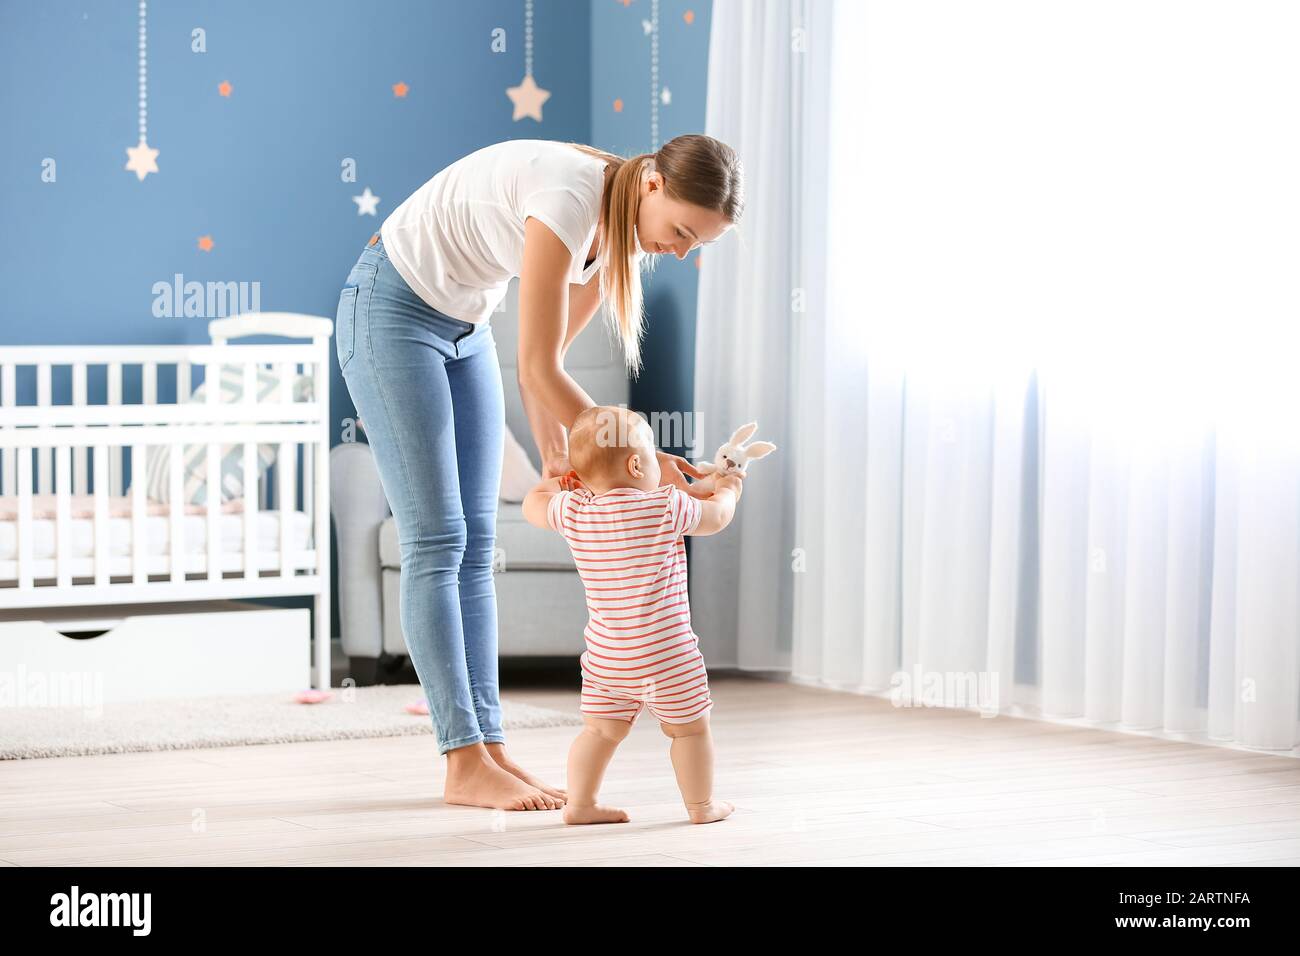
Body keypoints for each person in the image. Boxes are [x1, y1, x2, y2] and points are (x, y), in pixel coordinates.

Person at [334, 136, 744, 811]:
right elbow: (538, 370)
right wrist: (639, 470)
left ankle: (488, 747)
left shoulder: (621, 237)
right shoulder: (571, 194)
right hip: (390, 308)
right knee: (436, 542)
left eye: (696, 245)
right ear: (651, 186)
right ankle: (460, 759)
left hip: (465, 324)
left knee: (475, 551)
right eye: (680, 231)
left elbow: (547, 360)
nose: (679, 252)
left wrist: (566, 458)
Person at [522, 406, 744, 824]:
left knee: (599, 732)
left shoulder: (574, 511)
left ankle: (581, 805)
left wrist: (558, 482)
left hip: (608, 659)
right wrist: (727, 489)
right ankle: (701, 806)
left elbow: (533, 505)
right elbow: (716, 518)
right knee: (690, 730)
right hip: (668, 655)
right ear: (637, 463)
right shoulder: (666, 505)